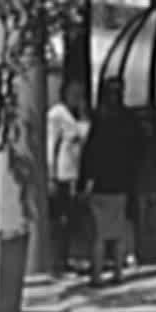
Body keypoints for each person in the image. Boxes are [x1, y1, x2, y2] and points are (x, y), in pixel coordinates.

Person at [81, 77, 146, 271]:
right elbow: (140, 148)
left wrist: (85, 179)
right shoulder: (129, 119)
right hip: (124, 178)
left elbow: (90, 152)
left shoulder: (99, 119)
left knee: (99, 229)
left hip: (102, 180)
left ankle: (98, 271)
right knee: (123, 221)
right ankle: (122, 264)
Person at [47, 80, 91, 275]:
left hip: (74, 172)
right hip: (61, 174)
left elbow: (84, 135)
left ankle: (66, 257)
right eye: (74, 93)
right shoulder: (57, 114)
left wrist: (83, 114)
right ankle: (57, 262)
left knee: (71, 218)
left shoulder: (74, 117)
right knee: (60, 219)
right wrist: (51, 175)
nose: (77, 98)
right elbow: (51, 145)